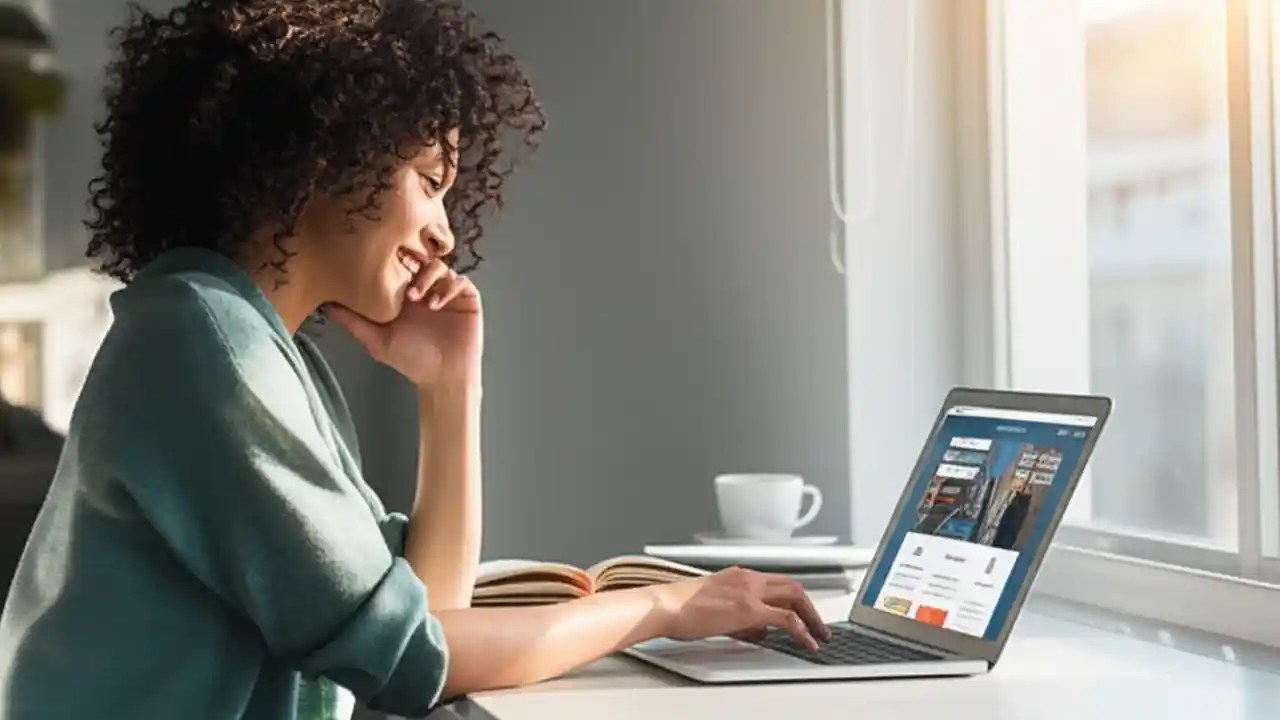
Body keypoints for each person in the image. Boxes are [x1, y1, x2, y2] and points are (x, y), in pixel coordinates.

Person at [0, 2, 829, 718]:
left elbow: (426, 613)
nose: (444, 231)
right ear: (331, 153)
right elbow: (413, 663)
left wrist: (450, 389)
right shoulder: (205, 343)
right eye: (430, 180)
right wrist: (666, 605)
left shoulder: (250, 342)